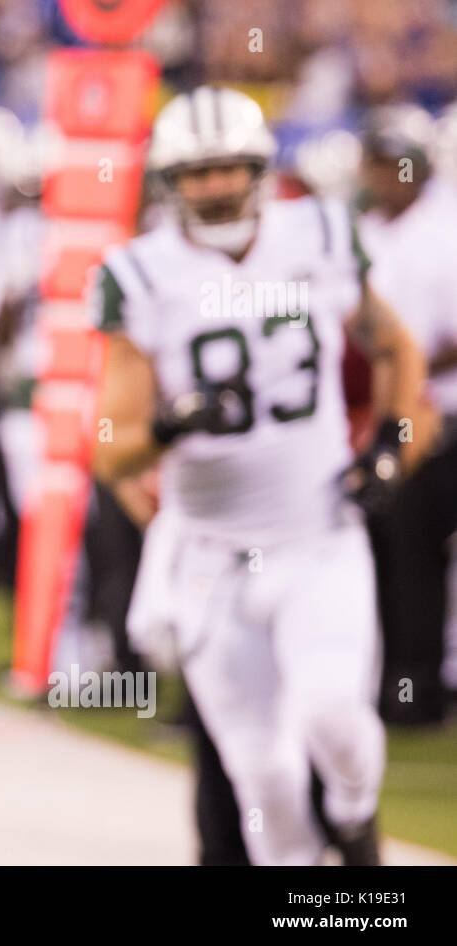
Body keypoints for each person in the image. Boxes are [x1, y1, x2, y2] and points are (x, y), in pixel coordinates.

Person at [91, 86, 435, 866]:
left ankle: (355, 821)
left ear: (259, 168)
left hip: (316, 533)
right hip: (212, 557)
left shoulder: (317, 233)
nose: (214, 186)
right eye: (196, 171)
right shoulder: (140, 273)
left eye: (229, 168)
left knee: (331, 715)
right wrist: (172, 423)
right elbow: (110, 449)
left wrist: (389, 441)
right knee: (265, 780)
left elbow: (397, 349)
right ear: (169, 179)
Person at [355, 103, 457, 726]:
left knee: (418, 552)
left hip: (439, 414)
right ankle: (390, 682)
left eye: (401, 164)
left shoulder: (444, 229)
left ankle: (420, 689)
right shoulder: (362, 232)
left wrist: (405, 368)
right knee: (381, 550)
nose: (390, 175)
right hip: (377, 414)